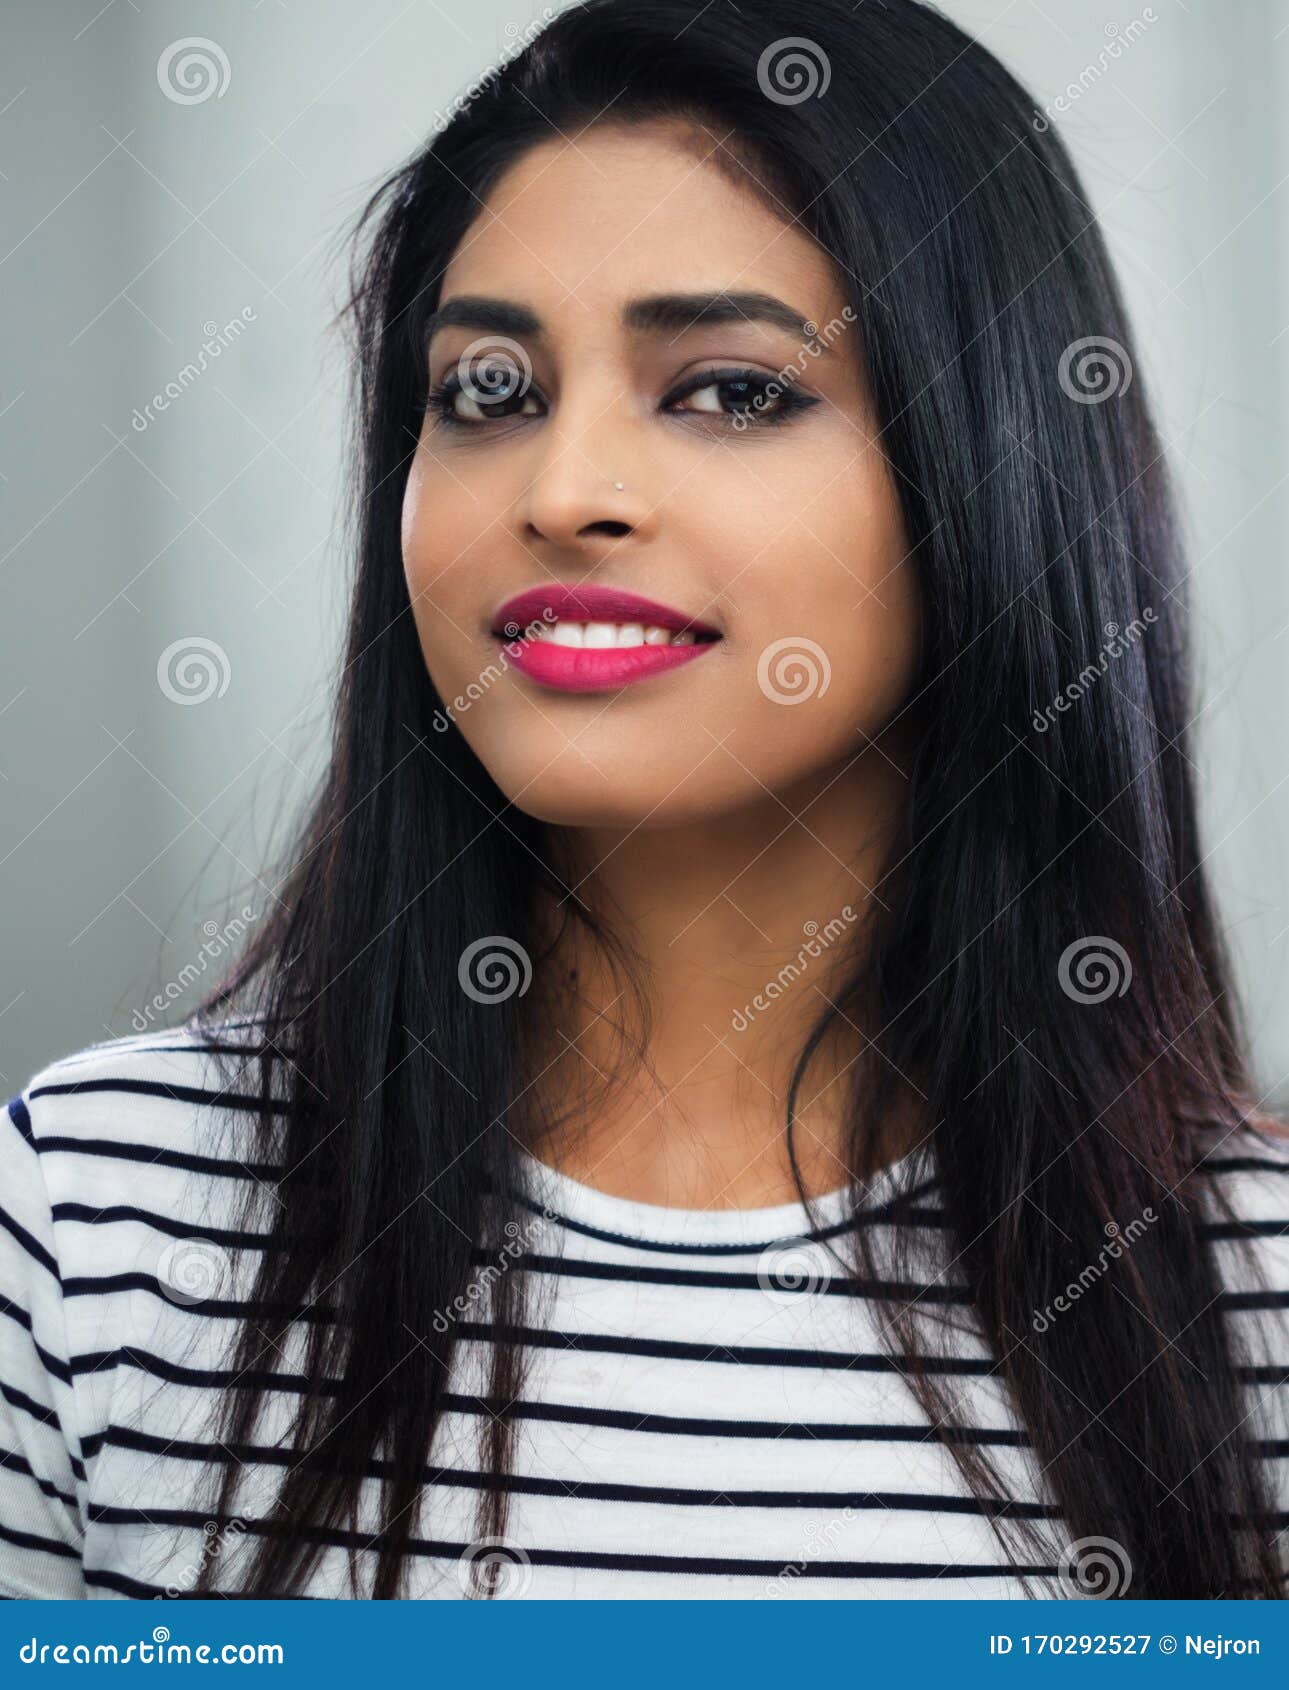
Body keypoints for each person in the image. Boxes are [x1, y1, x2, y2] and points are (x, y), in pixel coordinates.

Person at [2, 0, 1287, 1601]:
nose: (559, 491)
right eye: (484, 388)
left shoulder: (1254, 1294)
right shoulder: (98, 1209)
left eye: (730, 390)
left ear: (989, 462)